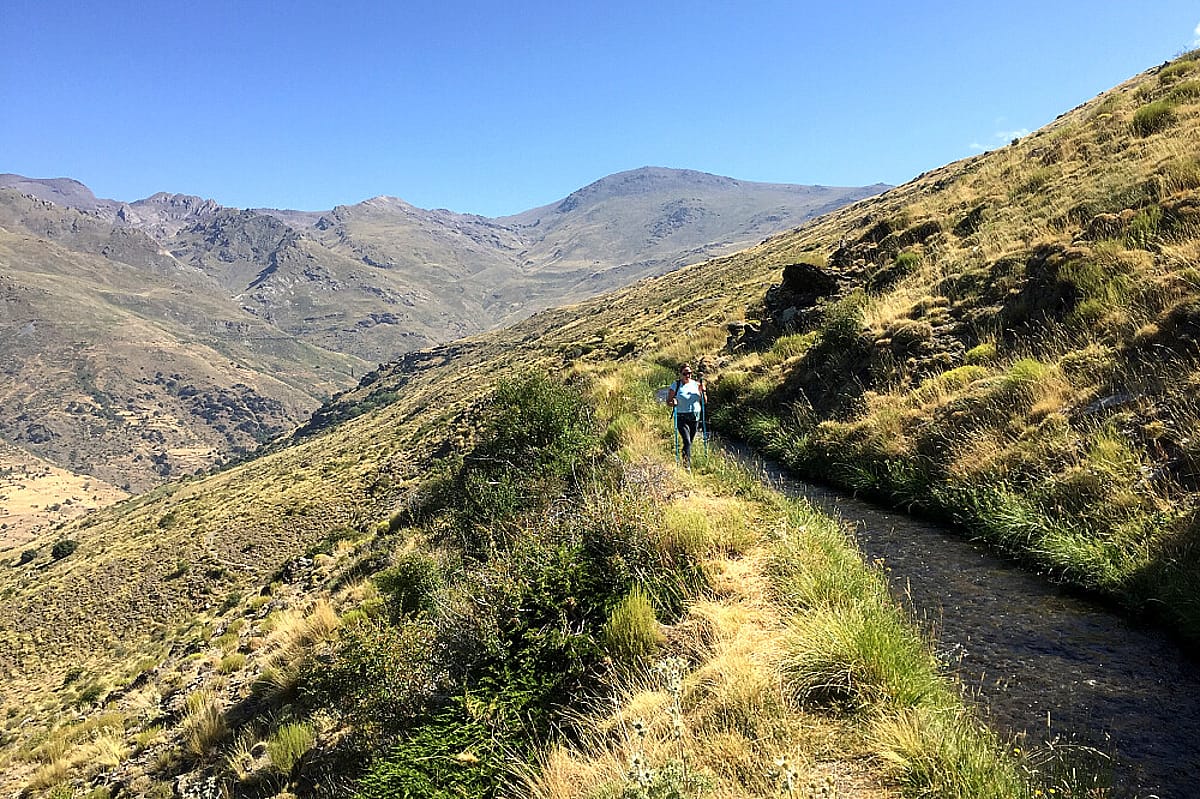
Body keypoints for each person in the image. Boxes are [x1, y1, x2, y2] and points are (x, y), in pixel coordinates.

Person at [667, 364, 706, 469]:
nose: (687, 375)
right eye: (685, 373)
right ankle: (687, 466)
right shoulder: (676, 385)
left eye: (689, 373)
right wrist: (673, 402)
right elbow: (668, 402)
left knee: (689, 442)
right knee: (687, 441)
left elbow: (704, 401)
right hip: (681, 417)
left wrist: (703, 391)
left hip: (695, 416)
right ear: (680, 374)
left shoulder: (696, 384)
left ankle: (685, 458)